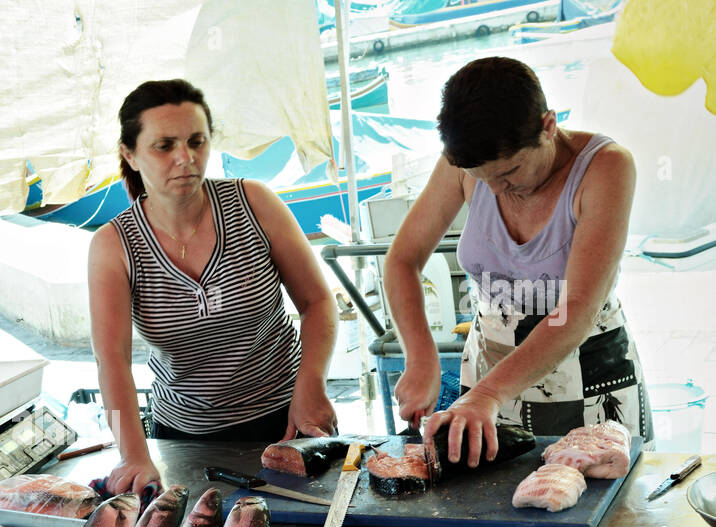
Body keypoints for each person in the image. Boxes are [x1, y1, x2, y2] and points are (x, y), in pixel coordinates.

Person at [388, 57, 651, 467]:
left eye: (508, 172)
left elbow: (577, 308)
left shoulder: (606, 167)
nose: (494, 189)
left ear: (548, 126)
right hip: (485, 381)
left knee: (598, 508)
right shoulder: (466, 164)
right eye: (481, 176)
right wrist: (421, 358)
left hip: (588, 377)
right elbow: (402, 260)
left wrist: (487, 395)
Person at [89, 79, 338, 494]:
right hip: (182, 436)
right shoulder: (113, 245)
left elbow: (316, 302)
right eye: (164, 146)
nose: (185, 158)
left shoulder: (255, 202)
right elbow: (111, 360)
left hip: (289, 419)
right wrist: (133, 454)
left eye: (196, 141)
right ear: (129, 155)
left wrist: (311, 388)